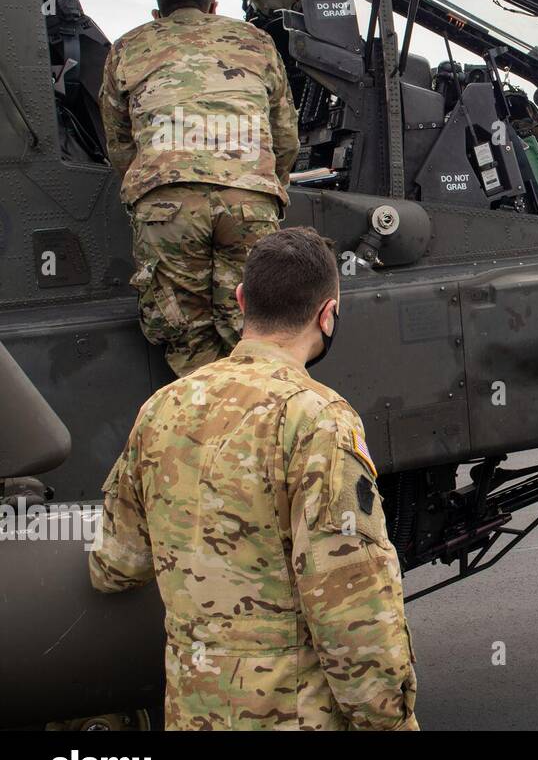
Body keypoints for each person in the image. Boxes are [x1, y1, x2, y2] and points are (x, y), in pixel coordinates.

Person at [89, 227, 417, 730]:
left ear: (241, 300)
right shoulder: (318, 419)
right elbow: (351, 604)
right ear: (328, 314)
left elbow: (116, 565)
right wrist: (389, 720)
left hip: (193, 712)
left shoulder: (162, 408)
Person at [99, 0, 300, 376]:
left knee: (186, 334)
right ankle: (264, 420)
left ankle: (207, 422)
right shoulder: (255, 41)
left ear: (157, 14)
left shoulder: (127, 46)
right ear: (213, 7)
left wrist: (147, 191)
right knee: (257, 328)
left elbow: (120, 142)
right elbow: (285, 137)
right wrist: (267, 187)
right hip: (248, 201)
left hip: (166, 205)